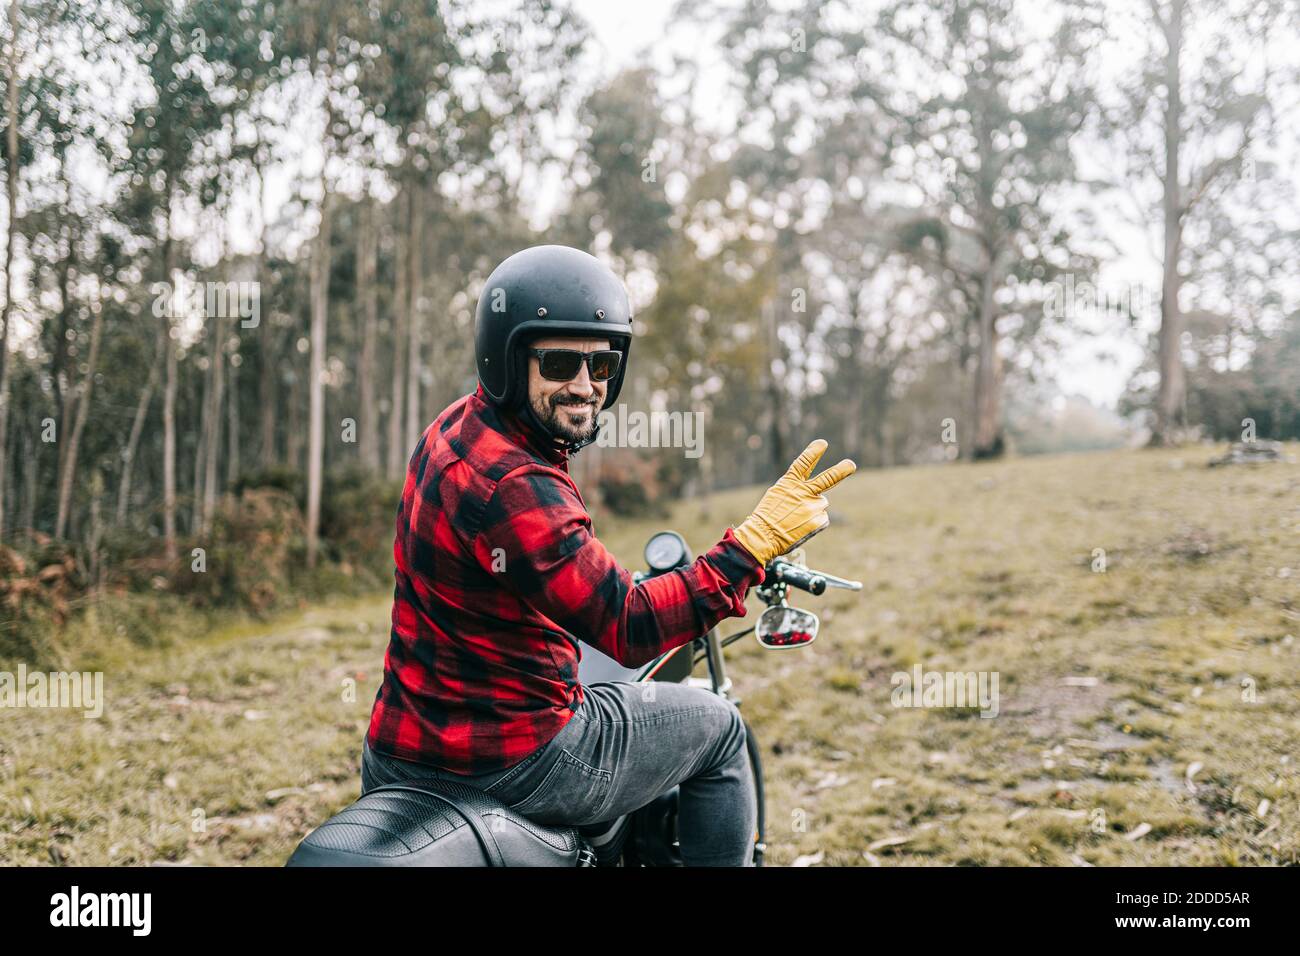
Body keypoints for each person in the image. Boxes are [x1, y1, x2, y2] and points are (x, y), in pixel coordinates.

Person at [362, 244, 855, 865]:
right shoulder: (517, 483)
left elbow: (539, 564)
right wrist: (750, 547)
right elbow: (628, 624)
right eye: (561, 361)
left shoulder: (456, 429)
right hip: (514, 756)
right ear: (509, 360)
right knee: (721, 729)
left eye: (601, 365)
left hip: (400, 745)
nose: (584, 385)